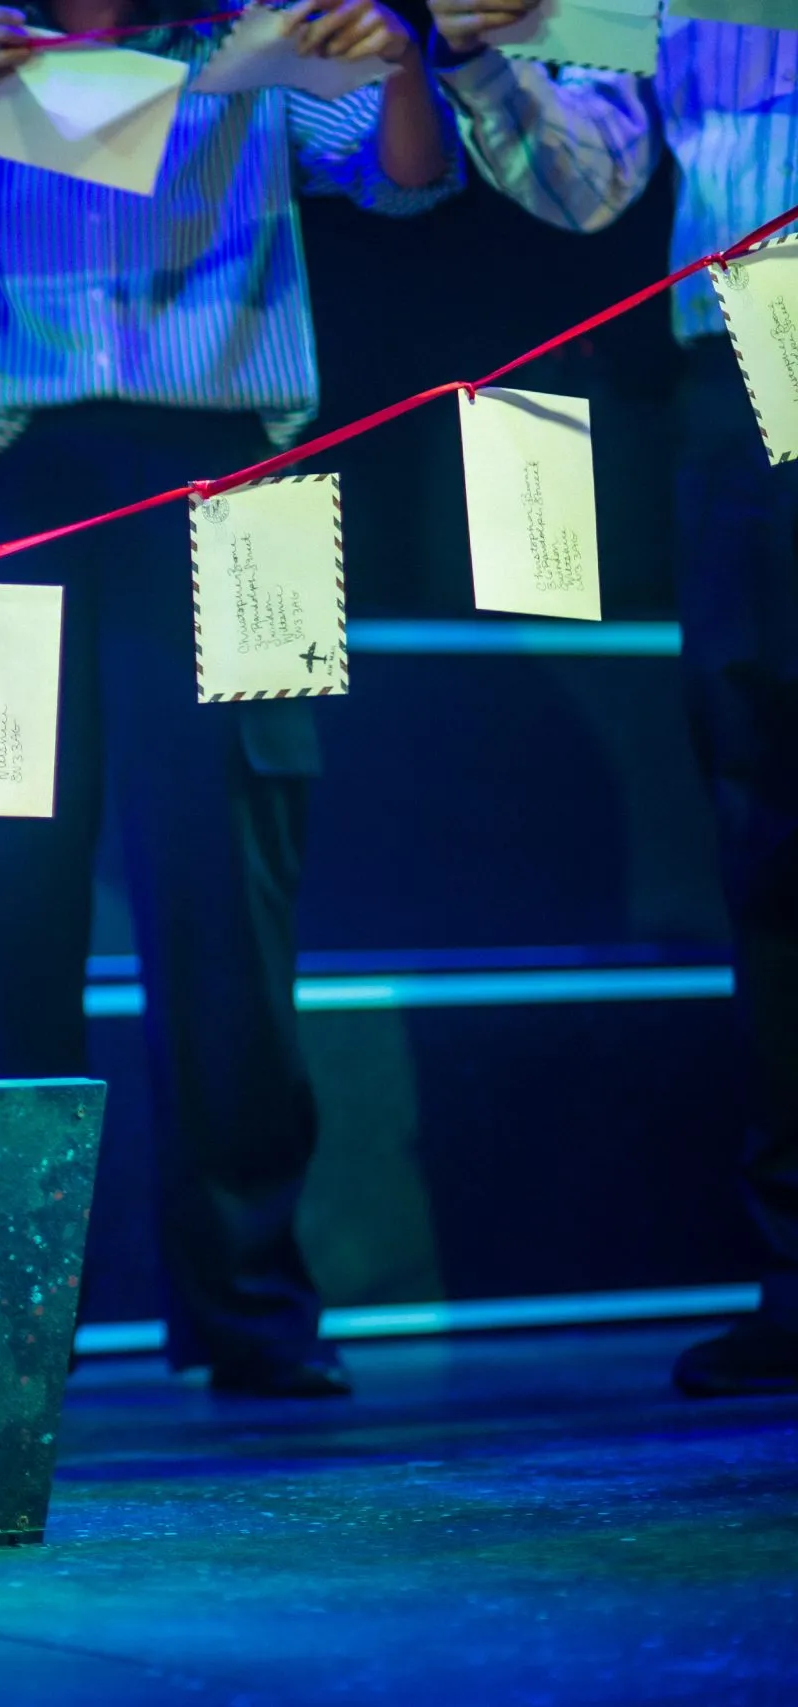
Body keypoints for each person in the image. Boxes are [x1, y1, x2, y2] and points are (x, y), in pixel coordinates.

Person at [0, 0, 460, 1397]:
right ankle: (2, 1313)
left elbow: (409, 176)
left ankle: (254, 1303)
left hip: (240, 480)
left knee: (234, 894)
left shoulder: (258, 29)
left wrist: (403, 59)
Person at [428, 0, 798, 1397]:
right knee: (766, 832)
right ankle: (797, 1272)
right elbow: (590, 185)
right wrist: (482, 53)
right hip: (737, 376)